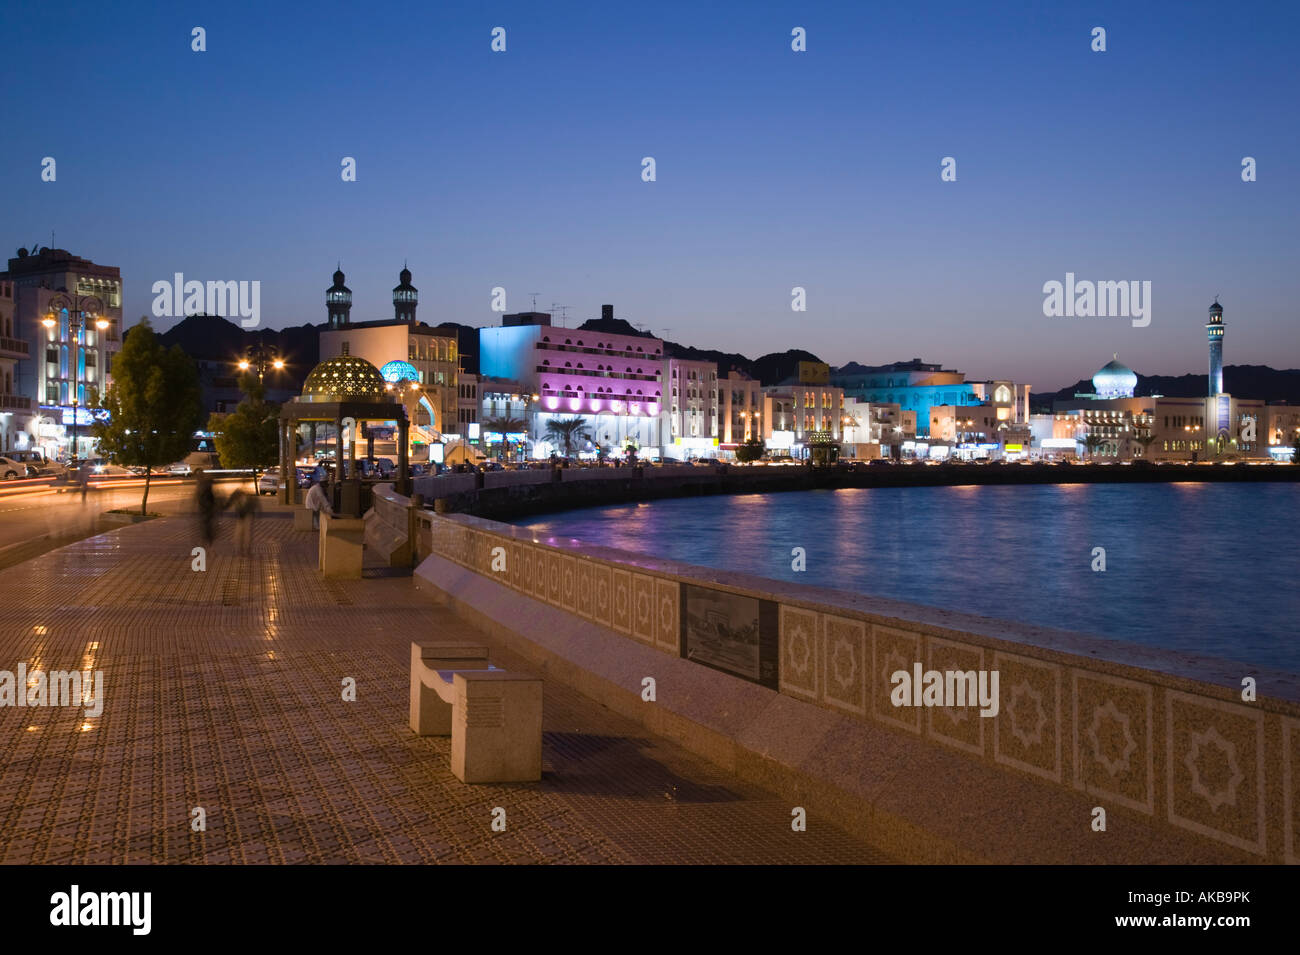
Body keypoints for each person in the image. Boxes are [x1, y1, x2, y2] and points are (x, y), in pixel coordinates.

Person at [228, 488, 259, 555]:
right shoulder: (239, 499)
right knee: (241, 533)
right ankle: (242, 549)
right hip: (242, 517)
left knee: (245, 533)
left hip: (247, 516)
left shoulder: (245, 499)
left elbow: (251, 507)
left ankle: (245, 549)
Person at [195, 468, 217, 545]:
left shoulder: (204, 484)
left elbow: (209, 496)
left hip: (207, 508)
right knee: (205, 526)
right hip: (204, 509)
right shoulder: (200, 484)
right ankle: (207, 541)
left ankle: (208, 541)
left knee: (207, 525)